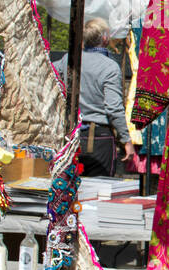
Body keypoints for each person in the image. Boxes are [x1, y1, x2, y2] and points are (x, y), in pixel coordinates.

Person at [53, 17, 136, 177]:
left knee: (68, 191)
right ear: (105, 38)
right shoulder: (109, 67)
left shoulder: (67, 60)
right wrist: (126, 140)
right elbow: (113, 108)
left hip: (69, 137)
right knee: (100, 193)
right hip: (98, 138)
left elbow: (49, 75)